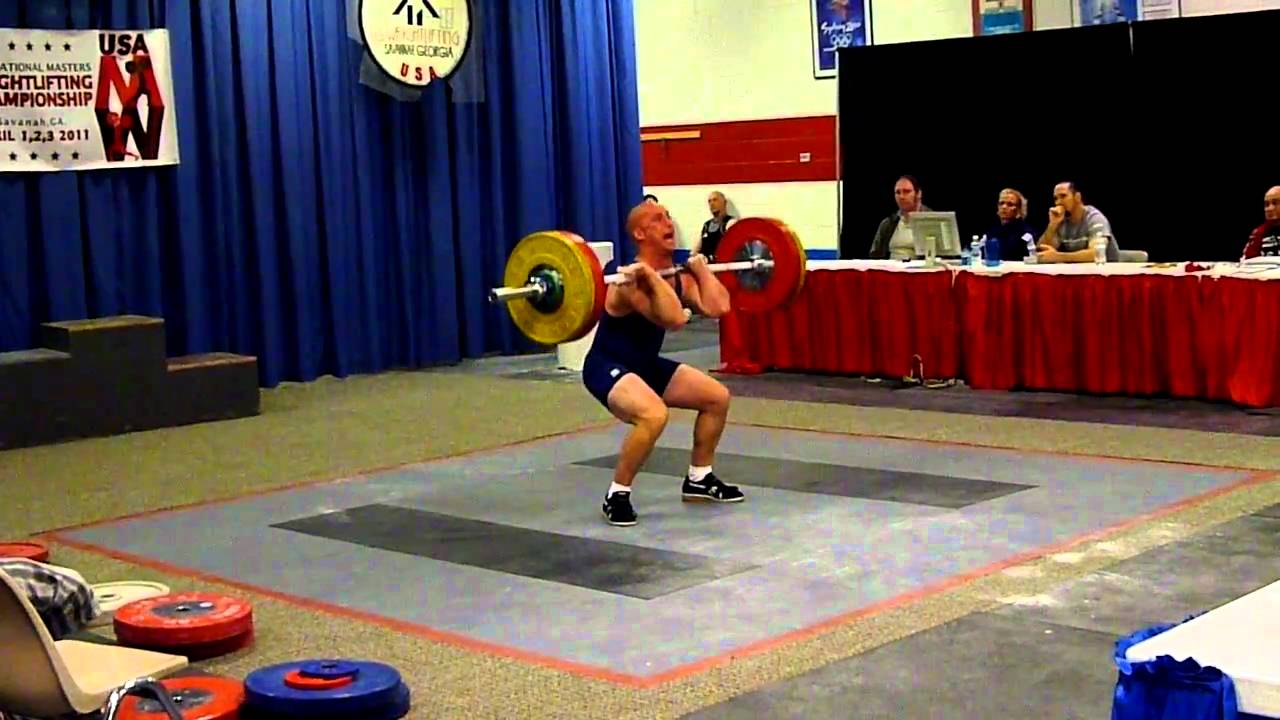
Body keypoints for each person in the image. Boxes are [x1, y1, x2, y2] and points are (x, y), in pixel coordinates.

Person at [582, 202, 742, 526]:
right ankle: (617, 494)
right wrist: (649, 275)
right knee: (653, 415)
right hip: (606, 366)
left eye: (668, 216)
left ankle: (699, 478)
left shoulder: (678, 277)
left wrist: (701, 270)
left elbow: (719, 307)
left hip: (644, 365)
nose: (668, 223)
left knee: (716, 398)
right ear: (640, 234)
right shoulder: (627, 282)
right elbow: (673, 319)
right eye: (658, 220)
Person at [1036, 181, 1120, 263]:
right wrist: (1052, 225)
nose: (1058, 202)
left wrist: (1058, 257)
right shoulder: (1061, 220)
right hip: (1079, 270)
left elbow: (1096, 253)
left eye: (1063, 196)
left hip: (1107, 269)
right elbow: (1041, 251)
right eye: (1056, 198)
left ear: (1077, 197)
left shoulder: (1094, 218)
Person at [867, 175, 930, 260]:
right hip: (890, 267)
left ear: (918, 193)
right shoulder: (888, 223)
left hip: (917, 267)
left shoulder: (931, 221)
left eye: (906, 191)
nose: (901, 196)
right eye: (898, 192)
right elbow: (875, 254)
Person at [984, 188, 1037, 261]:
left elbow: (1033, 259)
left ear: (1019, 209)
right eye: (1001, 203)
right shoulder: (992, 232)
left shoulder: (1027, 233)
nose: (1004, 207)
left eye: (1010, 204)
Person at [1241, 186, 1280, 259]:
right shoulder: (1258, 233)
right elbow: (1246, 261)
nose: (1269, 209)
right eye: (1266, 204)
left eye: (1275, 203)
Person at [696, 191, 735, 261]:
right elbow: (695, 251)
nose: (712, 203)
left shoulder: (730, 223)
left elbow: (732, 250)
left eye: (715, 200)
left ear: (724, 203)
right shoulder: (706, 225)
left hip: (720, 264)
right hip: (704, 264)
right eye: (709, 201)